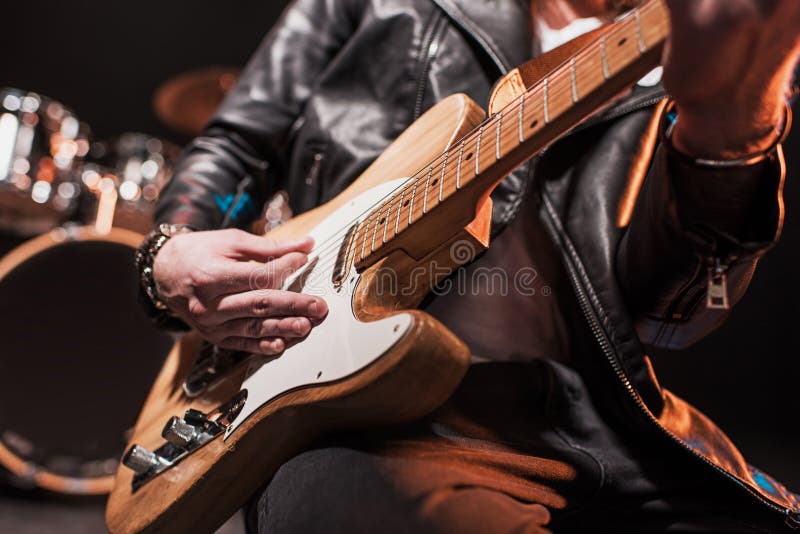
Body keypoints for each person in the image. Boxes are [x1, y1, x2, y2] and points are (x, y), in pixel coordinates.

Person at [135, 0, 800, 531]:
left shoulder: (716, 28)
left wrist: (728, 136)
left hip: (600, 414)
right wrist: (171, 251)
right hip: (361, 416)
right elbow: (238, 141)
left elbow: (673, 313)